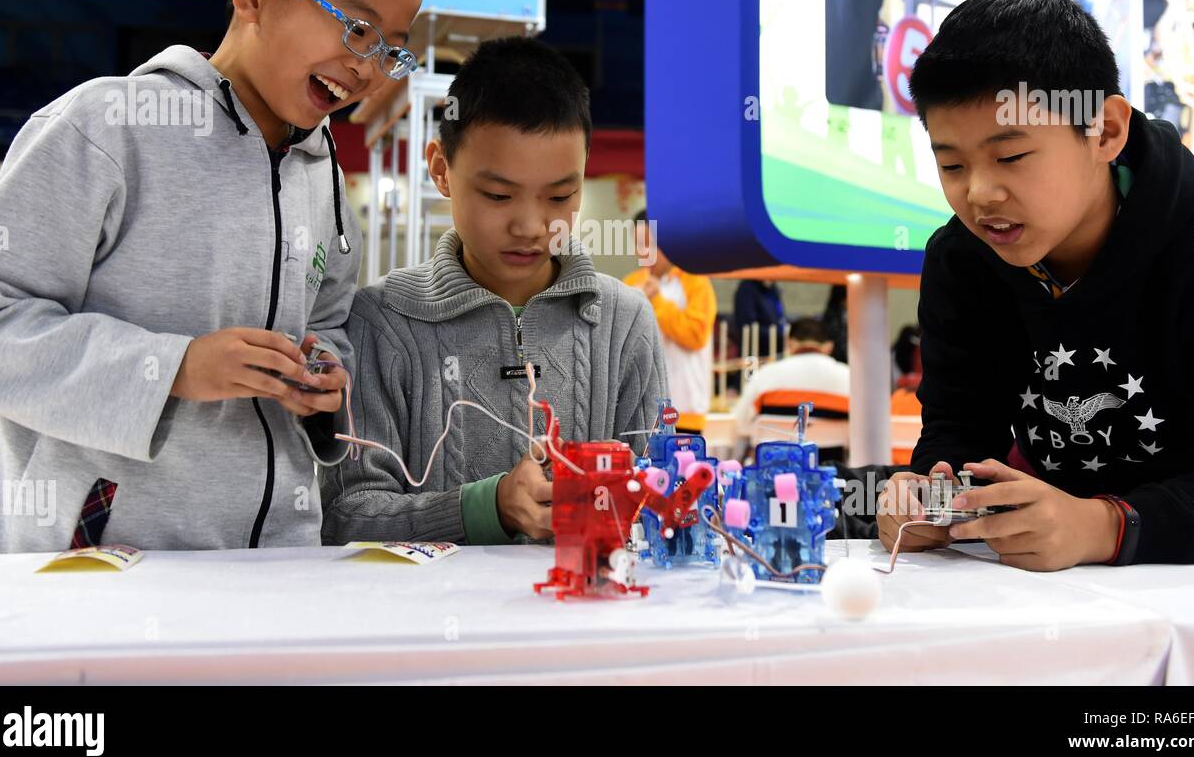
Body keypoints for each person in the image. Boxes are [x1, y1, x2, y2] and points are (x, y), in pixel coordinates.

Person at [0, 0, 427, 552]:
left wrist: (323, 373)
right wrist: (169, 368)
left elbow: (328, 322)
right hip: (91, 577)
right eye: (356, 28)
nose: (367, 69)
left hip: (269, 573)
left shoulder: (325, 181)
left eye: (390, 48)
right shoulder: (108, 128)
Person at [877, 0, 1194, 569]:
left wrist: (1102, 525)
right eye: (951, 164)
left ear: (1105, 131)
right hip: (1039, 597)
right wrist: (929, 496)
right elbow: (956, 431)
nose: (977, 194)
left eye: (1011, 157)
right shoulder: (962, 258)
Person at [321, 38, 666, 545]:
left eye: (560, 195)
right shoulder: (382, 322)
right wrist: (486, 507)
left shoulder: (624, 323)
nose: (530, 225)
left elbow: (658, 492)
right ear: (440, 169)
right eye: (498, 195)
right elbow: (346, 516)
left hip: (585, 617)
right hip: (428, 618)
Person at [623, 212, 715, 434]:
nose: (644, 253)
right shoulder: (630, 284)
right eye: (639, 245)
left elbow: (696, 336)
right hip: (639, 411)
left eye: (650, 245)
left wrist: (657, 301)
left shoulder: (695, 281)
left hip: (685, 408)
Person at [732, 318, 850, 437]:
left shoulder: (766, 374)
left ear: (789, 343)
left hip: (775, 454)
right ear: (829, 346)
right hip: (834, 454)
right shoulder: (848, 376)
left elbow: (740, 424)